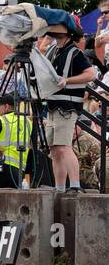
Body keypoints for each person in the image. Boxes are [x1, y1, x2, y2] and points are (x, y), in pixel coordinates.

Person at [44, 21, 97, 192]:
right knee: (54, 149)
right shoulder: (54, 50)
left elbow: (91, 74)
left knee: (63, 146)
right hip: (54, 107)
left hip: (66, 107)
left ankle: (74, 185)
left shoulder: (75, 52)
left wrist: (67, 80)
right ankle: (59, 187)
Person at [0, 94, 31, 189]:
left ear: (6, 106)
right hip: (19, 170)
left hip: (0, 168)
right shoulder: (28, 121)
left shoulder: (1, 119)